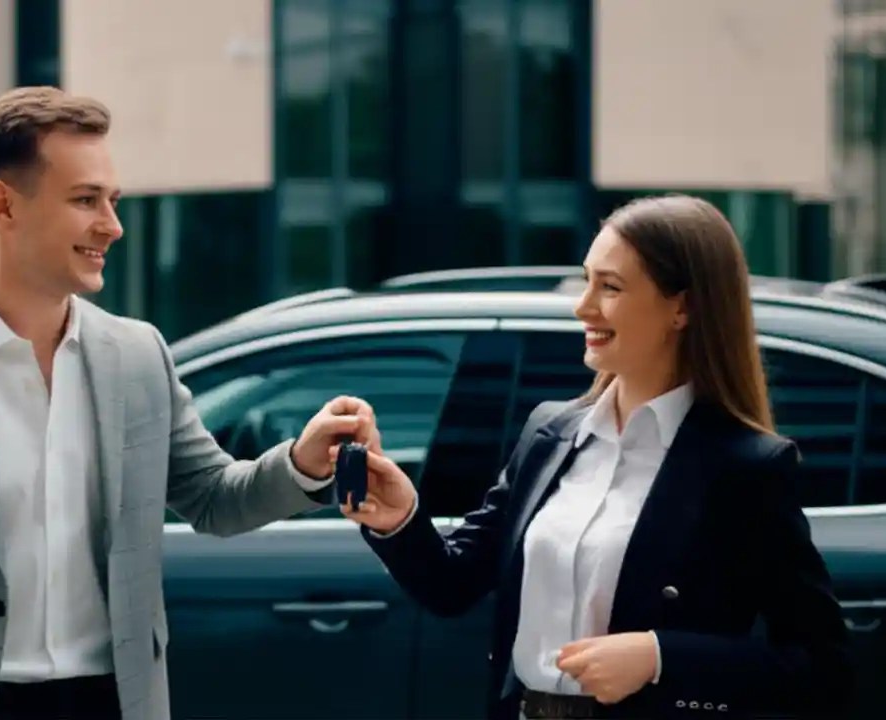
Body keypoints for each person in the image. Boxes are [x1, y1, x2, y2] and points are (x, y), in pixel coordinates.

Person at [0, 86, 377, 720]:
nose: (113, 224)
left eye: (113, 200)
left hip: (113, 703)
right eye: (85, 200)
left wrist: (302, 460)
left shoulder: (137, 357)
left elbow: (215, 497)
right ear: (3, 205)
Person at [339, 195, 852, 720]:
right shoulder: (550, 432)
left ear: (683, 307)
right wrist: (399, 519)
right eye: (587, 281)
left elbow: (821, 668)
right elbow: (452, 586)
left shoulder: (746, 466)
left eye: (610, 287)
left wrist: (658, 657)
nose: (583, 306)